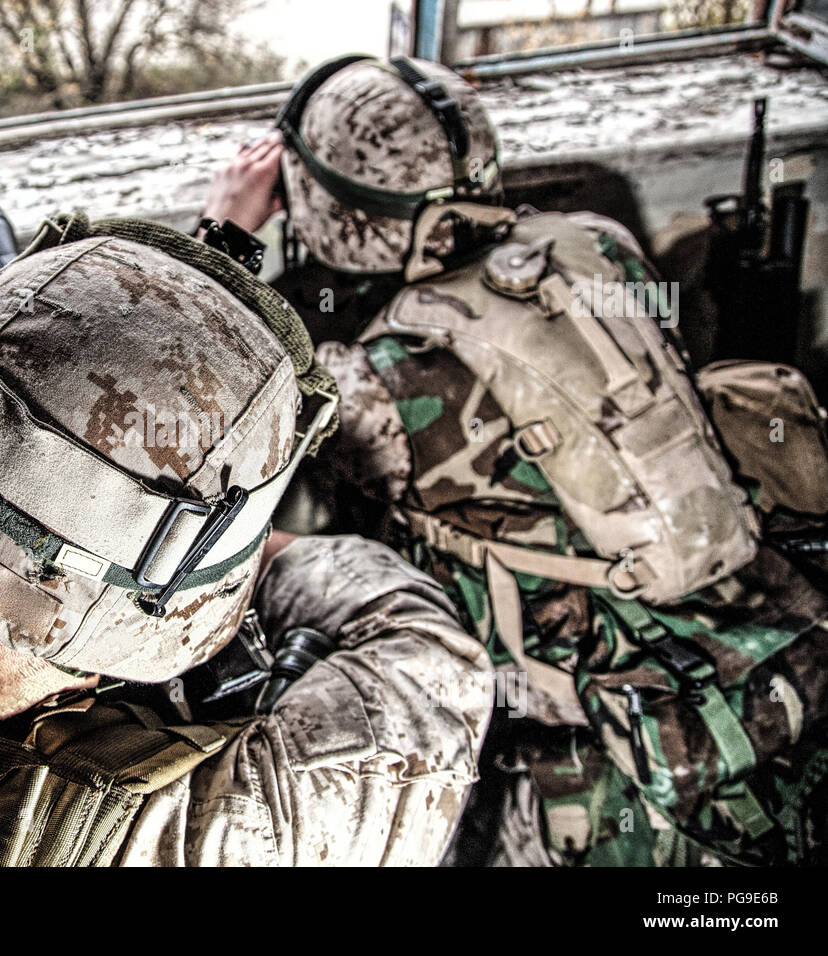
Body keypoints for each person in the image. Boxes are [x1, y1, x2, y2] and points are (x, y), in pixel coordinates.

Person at [0, 211, 494, 867]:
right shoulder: (243, 830)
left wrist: (40, 382)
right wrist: (251, 554)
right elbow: (426, 652)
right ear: (180, 595)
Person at [199, 54, 828, 866]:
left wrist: (224, 236)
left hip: (572, 734)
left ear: (328, 210)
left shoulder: (370, 384)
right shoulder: (600, 245)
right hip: (739, 618)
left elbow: (199, 426)